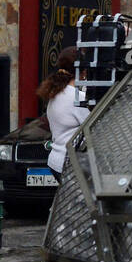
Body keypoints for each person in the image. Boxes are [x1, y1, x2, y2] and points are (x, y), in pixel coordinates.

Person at [37, 47, 88, 179]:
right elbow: (94, 127)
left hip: (56, 160)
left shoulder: (56, 92)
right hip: (69, 163)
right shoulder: (78, 97)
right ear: (82, 73)